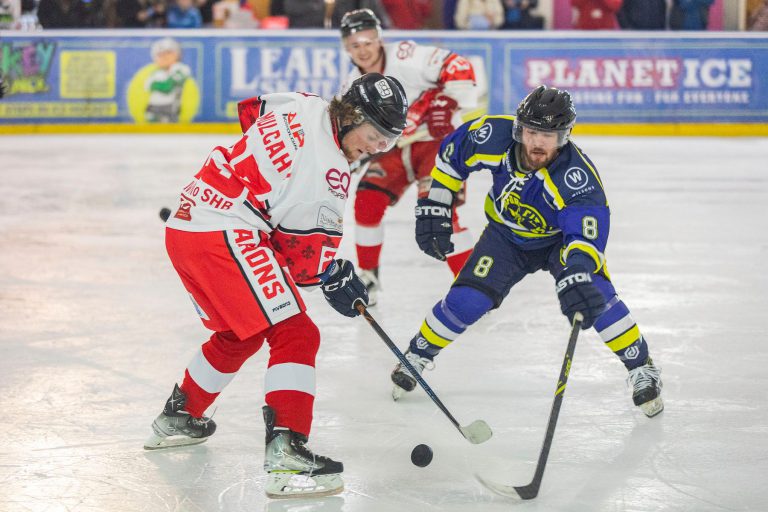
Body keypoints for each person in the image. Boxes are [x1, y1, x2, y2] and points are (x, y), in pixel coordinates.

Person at [143, 73, 409, 499]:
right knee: (296, 332)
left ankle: (181, 415)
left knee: (240, 331)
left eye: (388, 139)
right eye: (375, 134)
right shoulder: (330, 174)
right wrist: (335, 276)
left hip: (190, 221)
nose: (378, 148)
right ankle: (287, 451)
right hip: (224, 233)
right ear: (353, 115)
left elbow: (252, 113)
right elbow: (305, 269)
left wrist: (256, 187)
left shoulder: (306, 103)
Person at [390, 85, 664, 419]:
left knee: (596, 294)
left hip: (559, 241)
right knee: (467, 300)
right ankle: (417, 354)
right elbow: (453, 156)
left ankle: (641, 366)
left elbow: (586, 235)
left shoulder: (576, 178)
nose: (537, 143)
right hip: (506, 237)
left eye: (548, 135)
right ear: (519, 128)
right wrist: (437, 203)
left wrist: (577, 271)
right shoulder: (493, 135)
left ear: (564, 136)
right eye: (531, 132)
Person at [340, 8, 480, 305]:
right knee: (367, 201)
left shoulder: (406, 55)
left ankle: (472, 287)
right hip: (392, 148)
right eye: (355, 45)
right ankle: (369, 276)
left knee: (438, 212)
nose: (362, 50)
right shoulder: (351, 86)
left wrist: (448, 100)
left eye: (367, 41)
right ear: (345, 48)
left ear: (379, 39)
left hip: (435, 145)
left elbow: (459, 66)